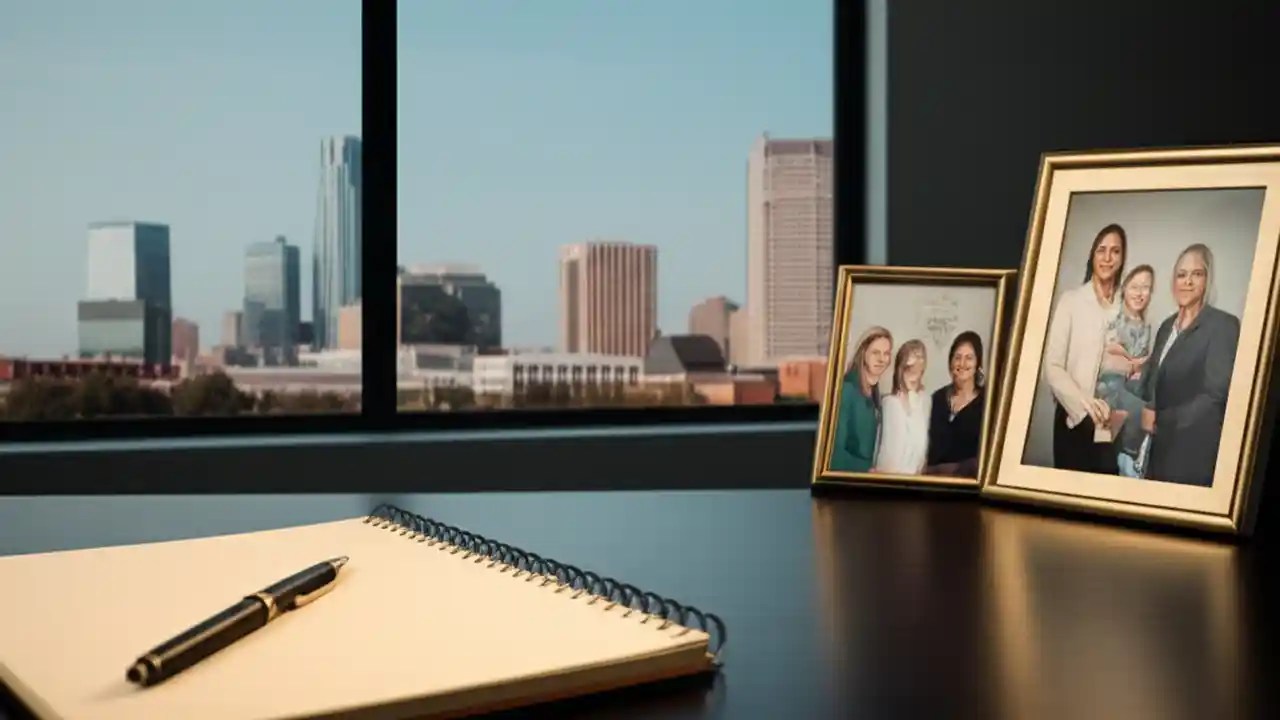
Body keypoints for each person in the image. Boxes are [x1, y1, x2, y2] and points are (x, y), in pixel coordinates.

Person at [1137, 244, 1239, 486]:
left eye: (1197, 274)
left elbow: (1215, 397)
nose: (1188, 282)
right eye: (1181, 275)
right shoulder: (1165, 327)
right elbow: (1155, 382)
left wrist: (1162, 419)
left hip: (1193, 458)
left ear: (1207, 279)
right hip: (1158, 453)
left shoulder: (1223, 326)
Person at [1042, 223, 1127, 474]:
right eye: (1101, 250)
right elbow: (1052, 367)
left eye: (1115, 251)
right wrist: (1086, 406)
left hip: (1113, 422)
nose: (1107, 258)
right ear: (1092, 255)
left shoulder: (1127, 305)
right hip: (1073, 419)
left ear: (1123, 258)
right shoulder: (1071, 301)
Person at [1093, 265, 1155, 477]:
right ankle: (1127, 460)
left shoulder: (1146, 326)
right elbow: (1102, 356)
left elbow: (1141, 366)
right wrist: (1130, 363)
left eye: (1146, 288)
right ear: (1124, 288)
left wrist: (1140, 365)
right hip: (1106, 391)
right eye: (1135, 287)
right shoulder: (1112, 318)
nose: (1140, 293)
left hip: (1131, 388)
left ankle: (1129, 463)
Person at [830, 326, 894, 473]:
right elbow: (834, 455)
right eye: (875, 353)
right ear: (863, 353)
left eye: (886, 353)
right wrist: (868, 471)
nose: (881, 359)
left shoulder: (875, 394)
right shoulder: (846, 390)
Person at [925, 331, 985, 478]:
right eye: (957, 357)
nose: (962, 363)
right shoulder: (936, 398)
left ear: (978, 364)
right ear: (950, 361)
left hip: (966, 489)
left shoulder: (986, 403)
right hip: (931, 485)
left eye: (969, 358)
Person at [873, 339, 931, 475]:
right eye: (909, 368)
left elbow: (923, 454)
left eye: (919, 370)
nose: (914, 375)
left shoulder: (925, 402)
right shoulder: (890, 404)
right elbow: (888, 458)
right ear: (900, 369)